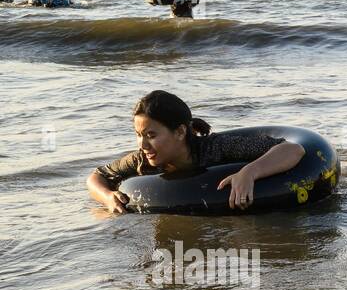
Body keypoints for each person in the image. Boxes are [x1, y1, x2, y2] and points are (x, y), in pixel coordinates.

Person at [86, 90, 306, 214]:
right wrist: (107, 197)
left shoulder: (216, 147)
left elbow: (292, 149)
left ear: (180, 132)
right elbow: (97, 176)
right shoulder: (141, 160)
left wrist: (249, 172)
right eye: (138, 134)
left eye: (151, 135)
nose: (142, 145)